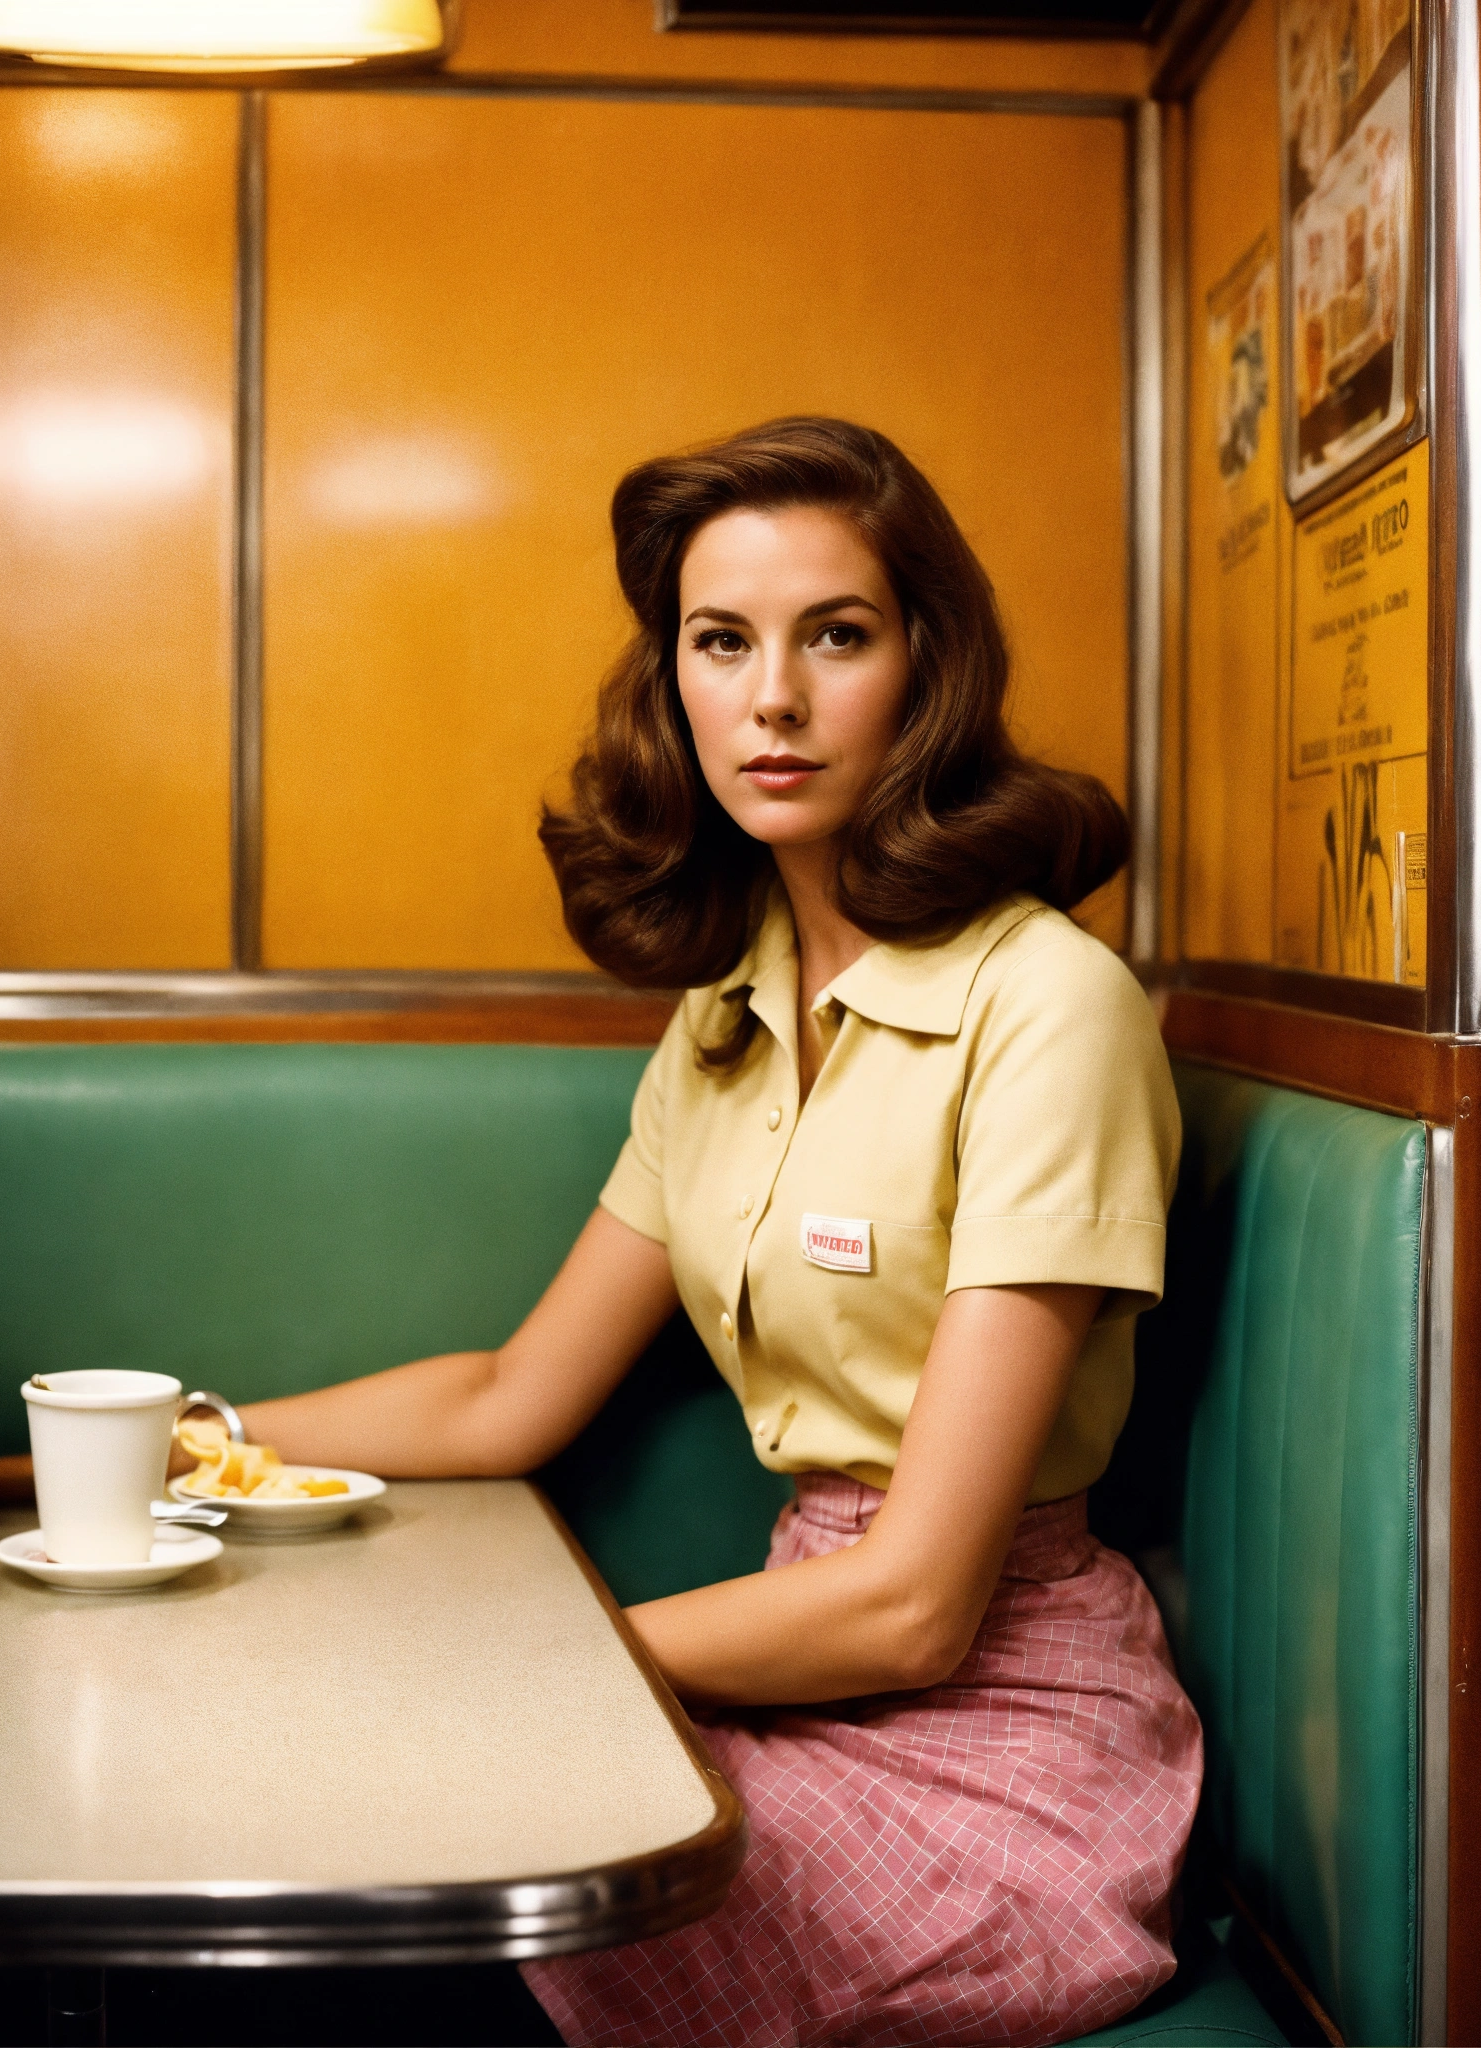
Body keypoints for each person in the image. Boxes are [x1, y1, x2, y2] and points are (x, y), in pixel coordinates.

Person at [240, 417, 1201, 2048]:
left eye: (838, 635)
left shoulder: (1050, 1005)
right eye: (721, 641)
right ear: (671, 680)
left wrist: (518, 1672)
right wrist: (182, 1442)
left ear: (929, 669)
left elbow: (913, 1605)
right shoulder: (730, 1012)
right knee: (339, 1885)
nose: (773, 699)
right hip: (788, 1687)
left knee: (439, 1927)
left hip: (1005, 1740)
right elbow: (507, 1399)